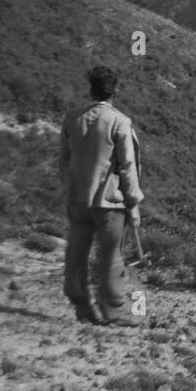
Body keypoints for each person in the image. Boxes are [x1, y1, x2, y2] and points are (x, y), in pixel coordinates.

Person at [59, 65, 144, 326]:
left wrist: (68, 191)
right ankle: (113, 310)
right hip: (109, 202)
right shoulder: (119, 121)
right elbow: (128, 165)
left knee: (76, 252)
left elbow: (64, 159)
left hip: (78, 198)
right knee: (111, 255)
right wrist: (133, 203)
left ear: (91, 89)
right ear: (114, 90)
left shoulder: (72, 117)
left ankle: (81, 305)